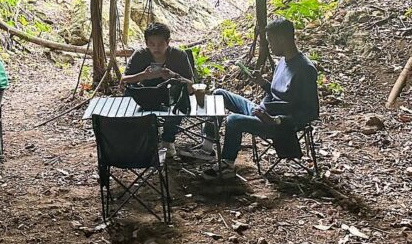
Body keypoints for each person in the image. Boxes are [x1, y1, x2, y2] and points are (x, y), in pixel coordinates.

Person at [202, 17, 319, 179]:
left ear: (282, 39)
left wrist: (276, 120)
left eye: (271, 41)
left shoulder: (305, 69)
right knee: (219, 94)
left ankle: (227, 165)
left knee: (233, 120)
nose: (269, 46)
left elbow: (310, 112)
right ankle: (207, 147)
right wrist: (263, 83)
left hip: (276, 124)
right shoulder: (283, 62)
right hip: (262, 111)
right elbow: (281, 94)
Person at [121, 22, 194, 160]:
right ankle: (144, 138)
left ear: (168, 42)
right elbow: (124, 81)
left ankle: (168, 140)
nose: (156, 48)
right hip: (145, 96)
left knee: (180, 102)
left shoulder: (179, 55)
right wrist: (143, 76)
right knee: (128, 95)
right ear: (146, 43)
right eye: (152, 44)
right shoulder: (140, 55)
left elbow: (191, 86)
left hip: (171, 96)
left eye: (160, 44)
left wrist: (174, 76)